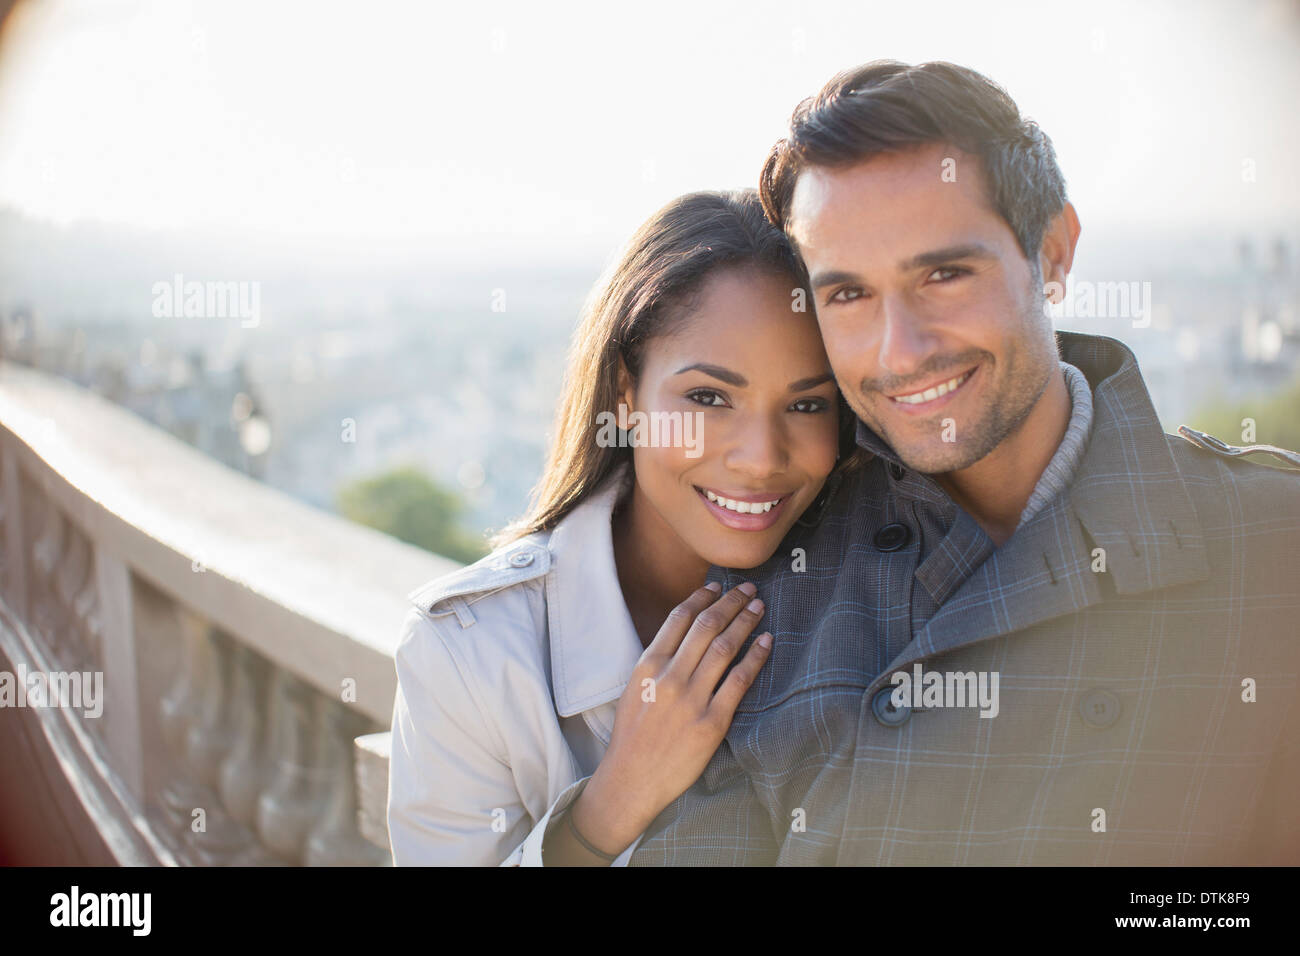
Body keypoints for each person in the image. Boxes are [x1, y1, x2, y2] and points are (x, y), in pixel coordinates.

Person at [629, 60, 1300, 865]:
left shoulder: (1273, 549)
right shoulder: (774, 589)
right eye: (848, 295)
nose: (901, 351)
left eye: (944, 274)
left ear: (1052, 253)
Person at [387, 189, 864, 865]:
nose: (760, 457)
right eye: (708, 398)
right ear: (624, 392)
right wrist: (611, 803)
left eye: (809, 403)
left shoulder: (876, 594)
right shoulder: (472, 653)